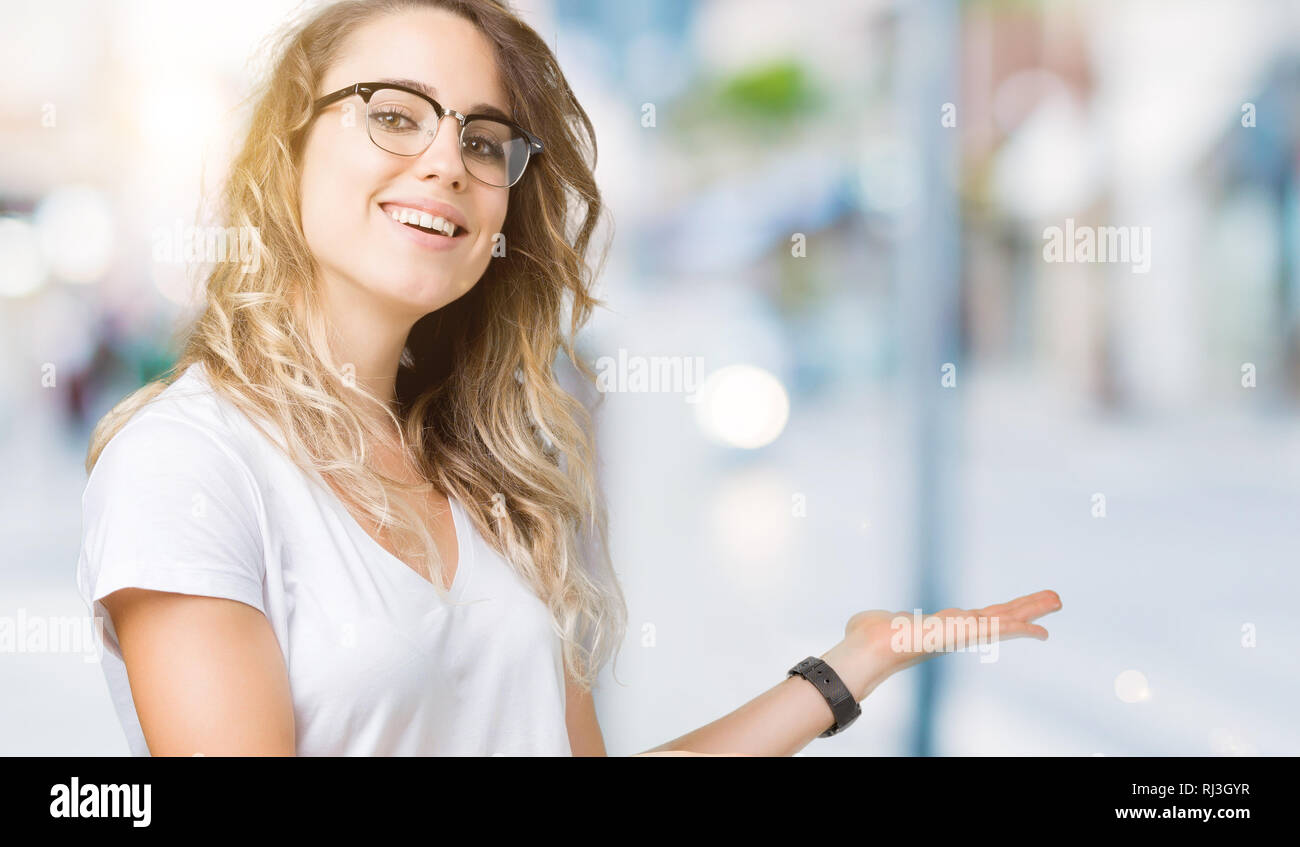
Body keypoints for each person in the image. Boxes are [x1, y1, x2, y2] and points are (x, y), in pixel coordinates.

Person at [76, 0, 1062, 756]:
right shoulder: (189, 462)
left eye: (484, 139)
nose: (445, 162)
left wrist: (849, 668)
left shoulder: (486, 477)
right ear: (284, 152)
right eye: (392, 116)